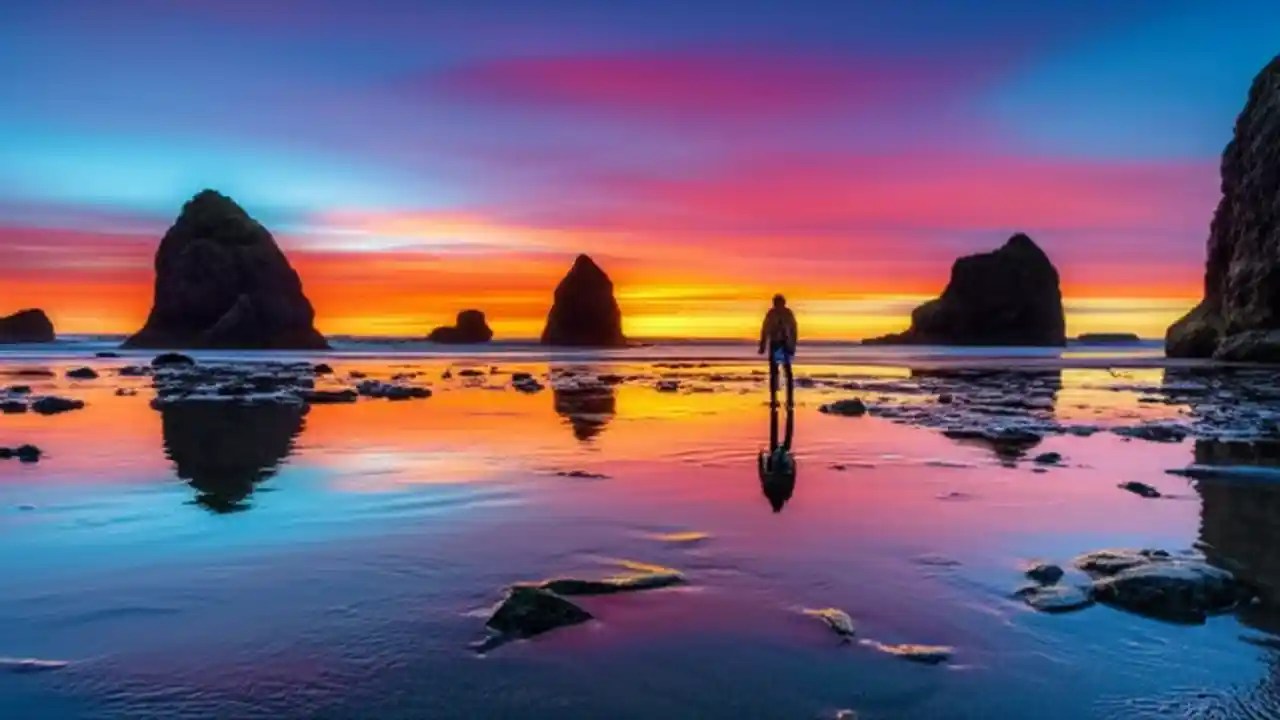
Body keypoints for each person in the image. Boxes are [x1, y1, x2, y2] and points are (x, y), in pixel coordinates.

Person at [758, 294, 797, 408]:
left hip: (785, 345)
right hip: (775, 344)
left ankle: (789, 400)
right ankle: (774, 399)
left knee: (787, 372)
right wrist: (763, 345)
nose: (778, 305)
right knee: (774, 372)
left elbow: (794, 330)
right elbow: (765, 329)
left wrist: (792, 346)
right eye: (776, 303)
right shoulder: (771, 314)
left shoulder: (788, 314)